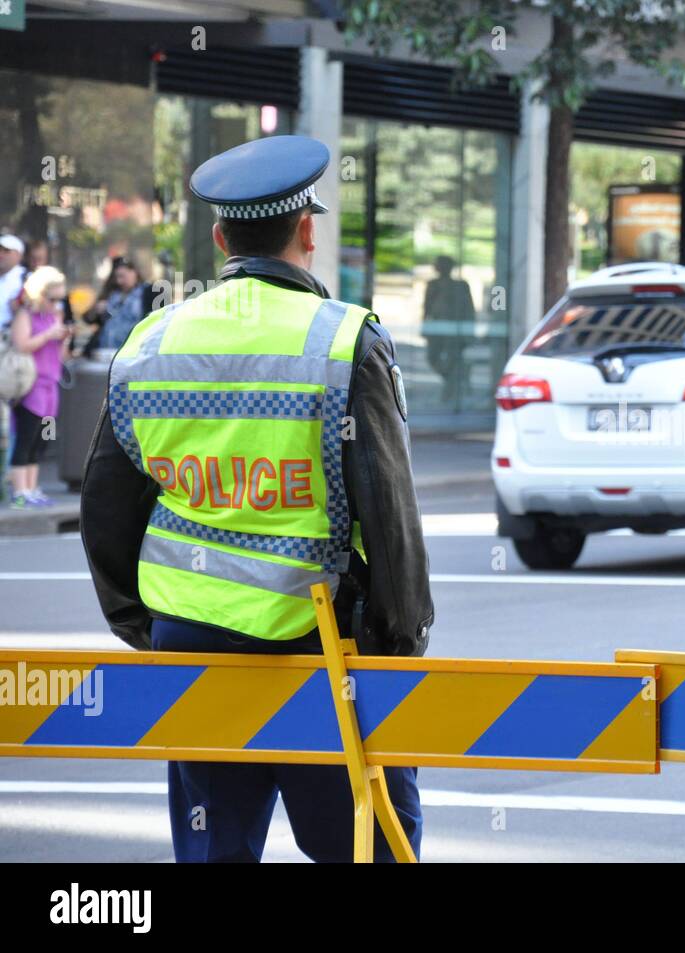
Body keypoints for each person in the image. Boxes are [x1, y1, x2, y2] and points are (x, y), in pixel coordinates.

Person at [80, 134, 434, 863]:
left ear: (220, 239)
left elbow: (107, 507)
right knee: (368, 847)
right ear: (307, 230)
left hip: (189, 639)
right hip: (325, 646)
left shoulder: (151, 342)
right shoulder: (345, 343)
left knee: (216, 849)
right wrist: (399, 644)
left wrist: (143, 624)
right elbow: (390, 516)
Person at [7, 266, 72, 508]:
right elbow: (22, 346)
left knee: (42, 439)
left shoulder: (55, 316)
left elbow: (63, 356)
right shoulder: (25, 315)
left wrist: (64, 338)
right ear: (39, 294)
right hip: (30, 384)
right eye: (52, 299)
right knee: (26, 436)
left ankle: (32, 487)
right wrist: (47, 335)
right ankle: (20, 491)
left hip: (51, 384)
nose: (56, 304)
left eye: (59, 299)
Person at [421, 255, 475, 409]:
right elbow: (426, 307)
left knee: (452, 359)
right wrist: (424, 327)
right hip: (436, 328)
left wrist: (469, 331)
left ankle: (449, 392)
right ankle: (461, 373)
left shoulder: (461, 285)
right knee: (432, 358)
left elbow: (469, 309)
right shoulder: (432, 284)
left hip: (455, 330)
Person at [0, 234, 28, 505]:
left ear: (18, 254)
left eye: (6, 251)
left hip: (13, 355)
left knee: (13, 418)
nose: (1, 255)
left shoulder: (27, 280)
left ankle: (12, 480)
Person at [83, 256, 158, 355]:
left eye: (123, 276)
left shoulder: (149, 292)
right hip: (106, 349)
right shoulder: (111, 293)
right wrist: (97, 310)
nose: (119, 281)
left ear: (133, 272)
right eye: (117, 277)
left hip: (134, 349)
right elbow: (88, 318)